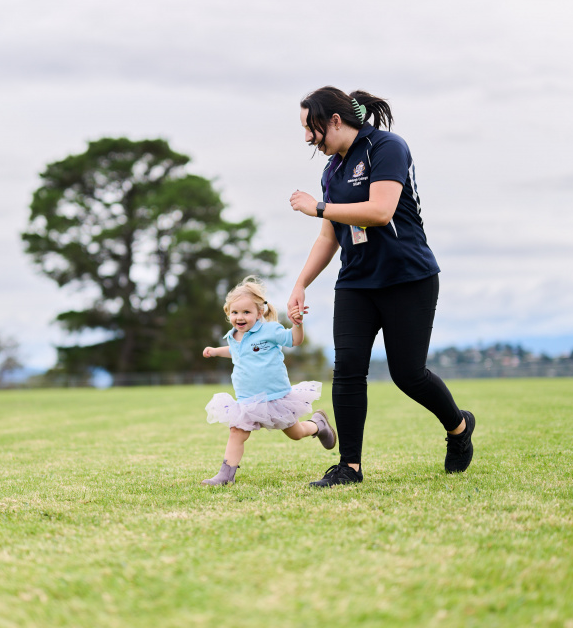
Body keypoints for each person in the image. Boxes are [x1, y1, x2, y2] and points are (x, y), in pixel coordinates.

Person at [287, 86, 476, 488]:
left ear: (335, 120)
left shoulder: (387, 147)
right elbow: (328, 237)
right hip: (356, 282)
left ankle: (459, 428)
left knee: (408, 374)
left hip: (408, 277)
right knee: (348, 370)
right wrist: (301, 283)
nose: (307, 137)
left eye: (311, 127)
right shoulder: (332, 170)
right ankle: (348, 468)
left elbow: (380, 210)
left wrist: (316, 206)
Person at [200, 276, 337, 486]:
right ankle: (225, 476)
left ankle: (318, 425)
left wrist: (297, 324)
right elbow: (237, 352)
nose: (240, 317)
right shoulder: (232, 336)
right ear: (228, 313)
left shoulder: (270, 330)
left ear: (259, 312)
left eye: (246, 312)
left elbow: (294, 340)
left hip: (277, 398)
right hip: (247, 400)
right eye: (235, 312)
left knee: (296, 433)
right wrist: (216, 351)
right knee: (237, 432)